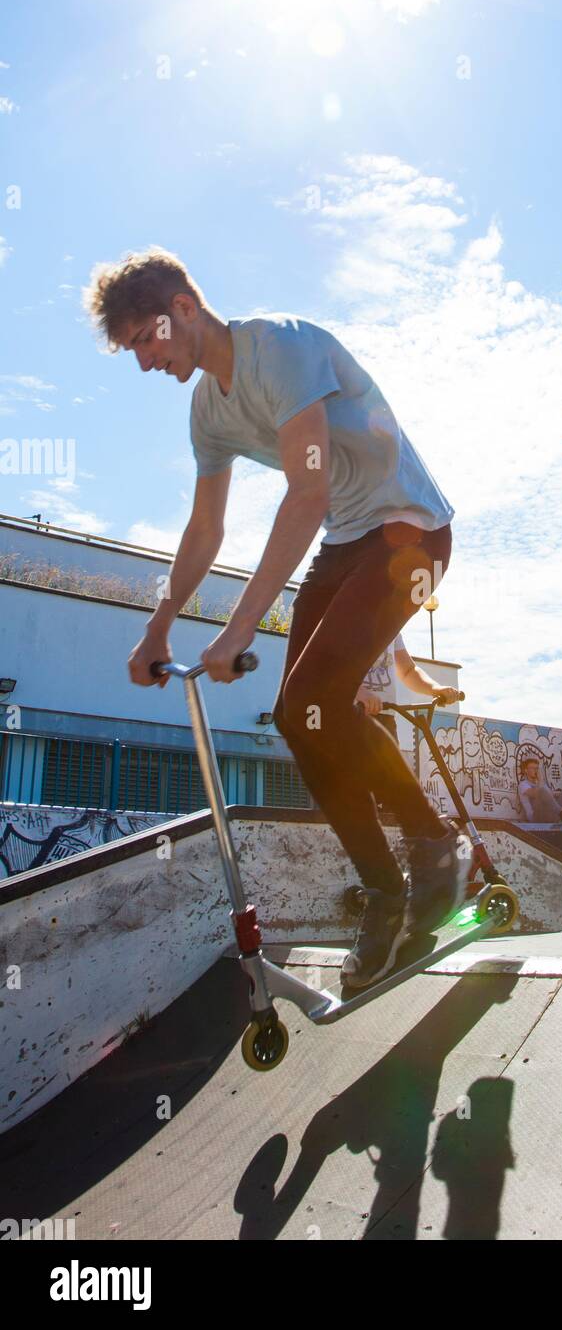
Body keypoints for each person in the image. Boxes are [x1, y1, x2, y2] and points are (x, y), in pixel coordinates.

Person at [86, 246, 472, 989]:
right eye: (131, 349)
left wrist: (237, 630)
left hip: (415, 535)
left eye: (145, 340)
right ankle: (386, 892)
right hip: (350, 544)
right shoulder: (208, 411)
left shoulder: (282, 347)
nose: (143, 364)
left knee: (319, 698)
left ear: (185, 310)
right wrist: (160, 623)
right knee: (299, 717)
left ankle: (433, 847)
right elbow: (205, 530)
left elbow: (308, 492)